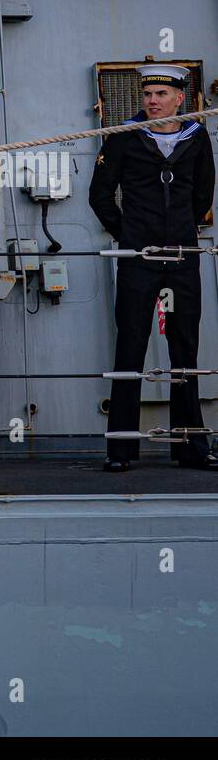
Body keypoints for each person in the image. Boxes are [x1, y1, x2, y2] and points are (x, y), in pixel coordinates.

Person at [89, 63, 217, 472]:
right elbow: (101, 194)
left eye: (162, 95)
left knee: (185, 346)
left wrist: (182, 229)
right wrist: (128, 234)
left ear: (180, 97)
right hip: (138, 258)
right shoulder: (125, 137)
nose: (153, 101)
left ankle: (190, 446)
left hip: (182, 257)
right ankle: (122, 448)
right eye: (148, 95)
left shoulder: (196, 137)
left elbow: (203, 192)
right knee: (130, 345)